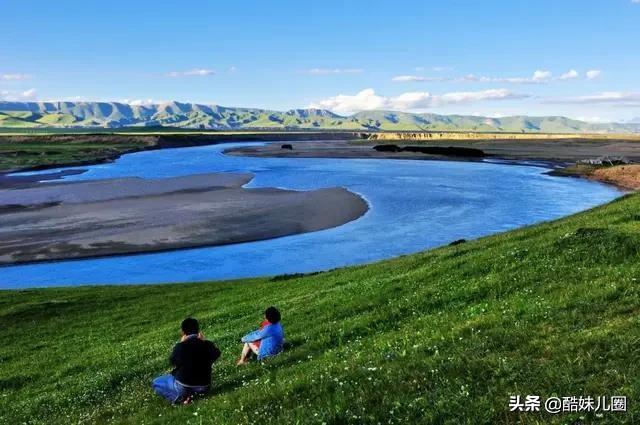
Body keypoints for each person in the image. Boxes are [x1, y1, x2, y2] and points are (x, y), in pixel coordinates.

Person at [152, 318, 221, 404]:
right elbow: (217, 354)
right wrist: (204, 341)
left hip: (184, 386)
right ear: (198, 330)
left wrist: (181, 344)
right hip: (204, 386)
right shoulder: (207, 344)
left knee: (156, 382)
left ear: (183, 332)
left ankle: (181, 399)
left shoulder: (181, 347)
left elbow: (173, 362)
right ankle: (190, 396)